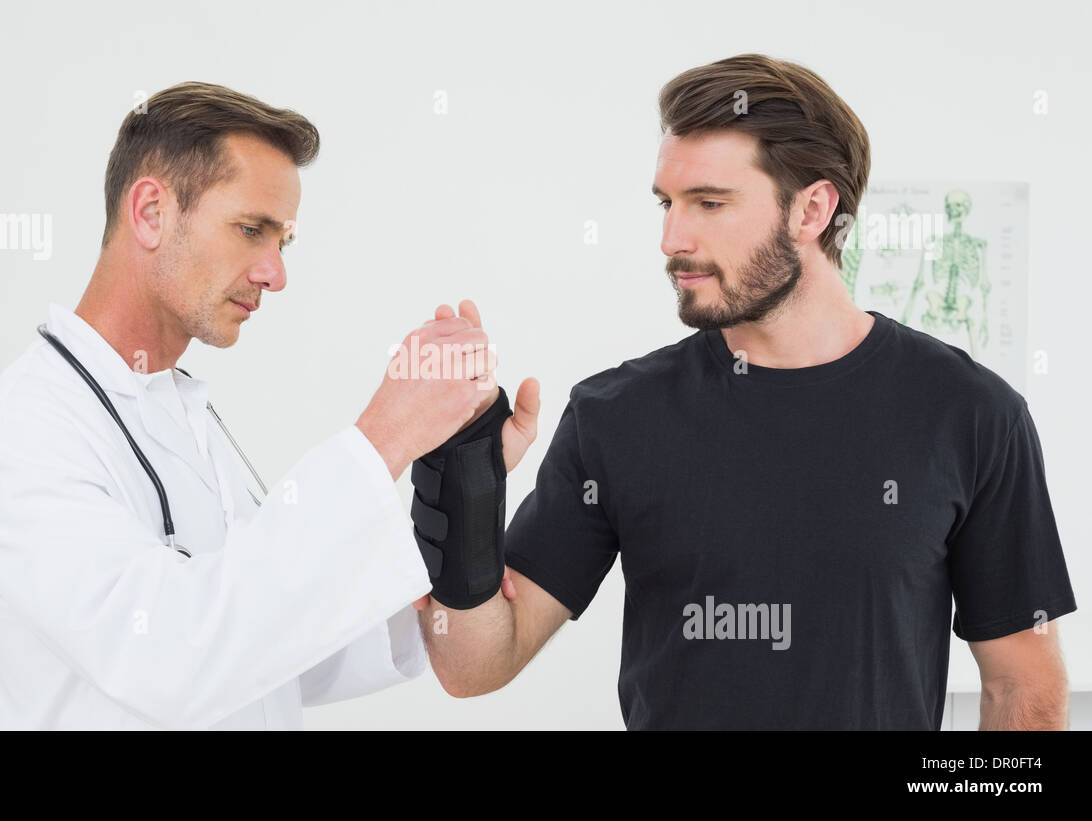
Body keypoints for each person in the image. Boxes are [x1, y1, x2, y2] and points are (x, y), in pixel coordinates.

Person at [417, 54, 1077, 730]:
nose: (673, 239)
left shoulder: (970, 414)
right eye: (667, 204)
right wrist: (461, 478)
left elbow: (1023, 693)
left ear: (812, 209)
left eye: (709, 202)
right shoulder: (614, 416)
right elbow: (474, 666)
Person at [0, 81, 536, 729]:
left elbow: (279, 644)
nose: (275, 272)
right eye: (251, 229)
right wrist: (383, 437)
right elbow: (170, 656)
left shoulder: (182, 410)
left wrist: (456, 479)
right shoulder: (26, 433)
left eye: (283, 241)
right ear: (150, 212)